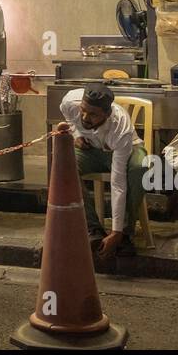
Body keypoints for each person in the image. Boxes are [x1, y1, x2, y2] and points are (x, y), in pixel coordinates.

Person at [61, 83, 145, 259]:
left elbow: (117, 182)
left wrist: (116, 231)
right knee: (64, 166)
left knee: (139, 168)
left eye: (93, 114)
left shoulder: (121, 128)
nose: (85, 117)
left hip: (126, 150)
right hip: (90, 150)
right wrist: (76, 135)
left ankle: (124, 234)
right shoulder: (70, 101)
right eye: (83, 110)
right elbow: (69, 117)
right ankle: (93, 229)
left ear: (107, 114)